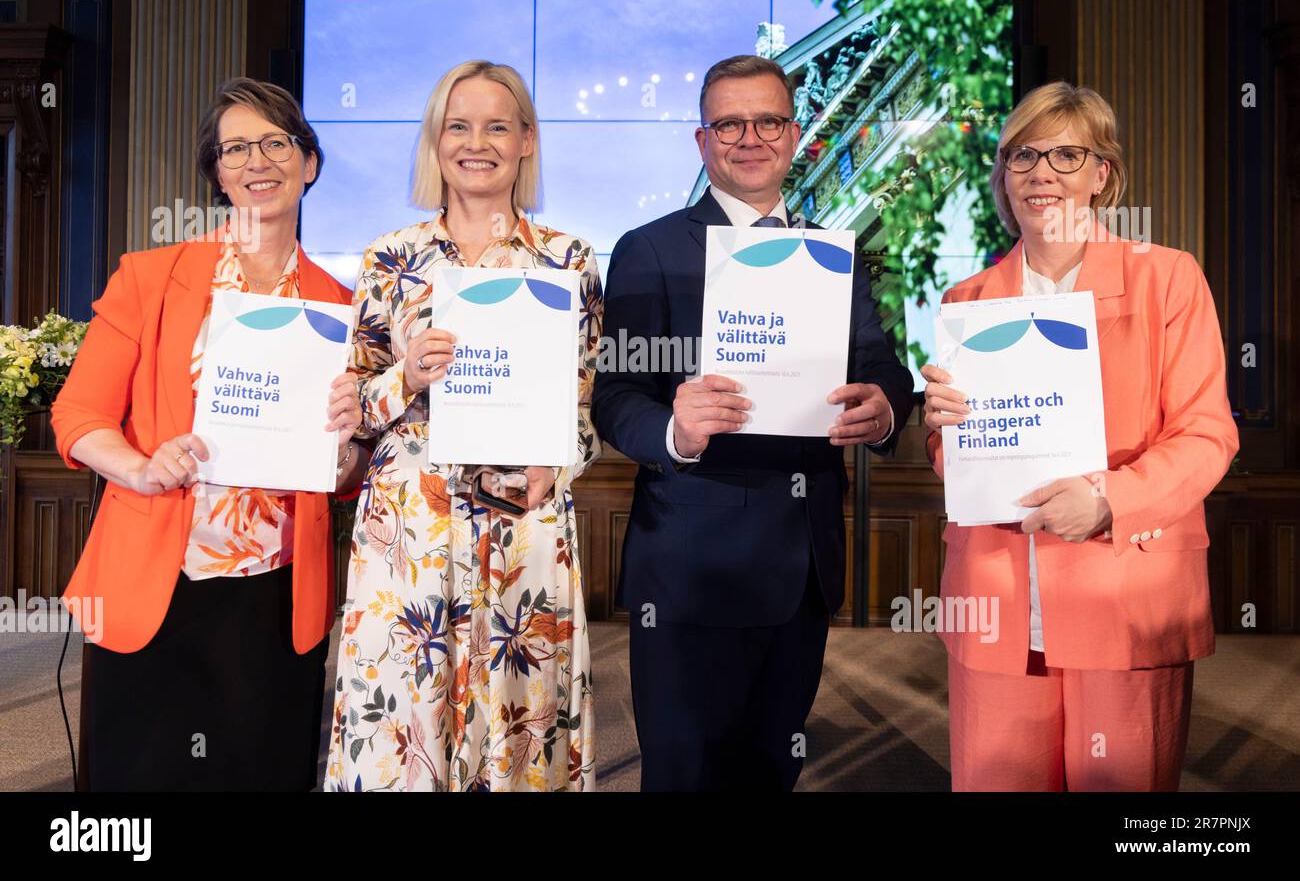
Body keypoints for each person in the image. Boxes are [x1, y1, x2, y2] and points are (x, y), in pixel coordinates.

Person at [593, 55, 914, 791]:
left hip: (802, 564)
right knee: (685, 776)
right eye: (729, 123)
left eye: (767, 120)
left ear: (795, 134)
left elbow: (881, 362)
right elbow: (616, 398)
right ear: (702, 142)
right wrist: (675, 429)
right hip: (689, 569)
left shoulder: (836, 252)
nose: (750, 137)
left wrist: (884, 405)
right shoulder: (651, 248)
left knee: (771, 773)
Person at [920, 81, 1238, 791]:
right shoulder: (966, 299)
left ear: (1102, 175)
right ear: (1003, 176)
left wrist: (1109, 501)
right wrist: (941, 429)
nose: (1042, 172)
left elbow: (1208, 433)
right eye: (1023, 155)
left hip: (1123, 586)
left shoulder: (1169, 278)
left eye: (1067, 154)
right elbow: (955, 457)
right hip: (999, 593)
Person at [51, 77, 364, 790]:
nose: (259, 161)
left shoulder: (342, 307)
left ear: (309, 162)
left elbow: (347, 478)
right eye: (236, 149)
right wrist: (138, 466)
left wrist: (346, 453)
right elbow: (79, 416)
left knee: (259, 770)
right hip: (156, 577)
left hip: (273, 593)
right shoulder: (151, 276)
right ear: (218, 175)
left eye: (276, 143)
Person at [324, 60, 602, 792]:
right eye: (458, 125)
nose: (476, 142)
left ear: (527, 142)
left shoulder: (568, 260)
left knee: (520, 718)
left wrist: (560, 466)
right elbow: (351, 409)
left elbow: (584, 416)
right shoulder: (390, 258)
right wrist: (406, 376)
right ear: (435, 141)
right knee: (401, 726)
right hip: (410, 530)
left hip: (526, 527)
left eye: (497, 126)